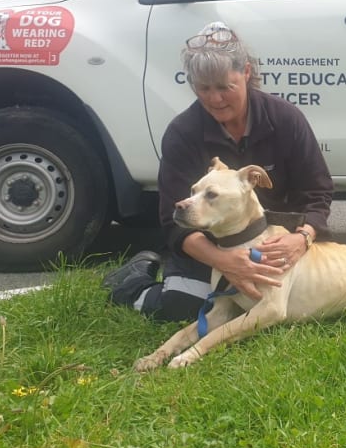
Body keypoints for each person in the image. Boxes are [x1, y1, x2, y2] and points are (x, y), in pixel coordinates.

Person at [104, 21, 333, 321]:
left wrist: (302, 238)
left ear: (247, 73)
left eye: (225, 86)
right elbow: (171, 222)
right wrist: (225, 261)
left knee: (308, 298)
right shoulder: (182, 133)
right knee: (185, 307)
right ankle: (134, 284)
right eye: (204, 88)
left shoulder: (286, 119)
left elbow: (317, 192)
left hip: (278, 243)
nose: (215, 99)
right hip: (212, 244)